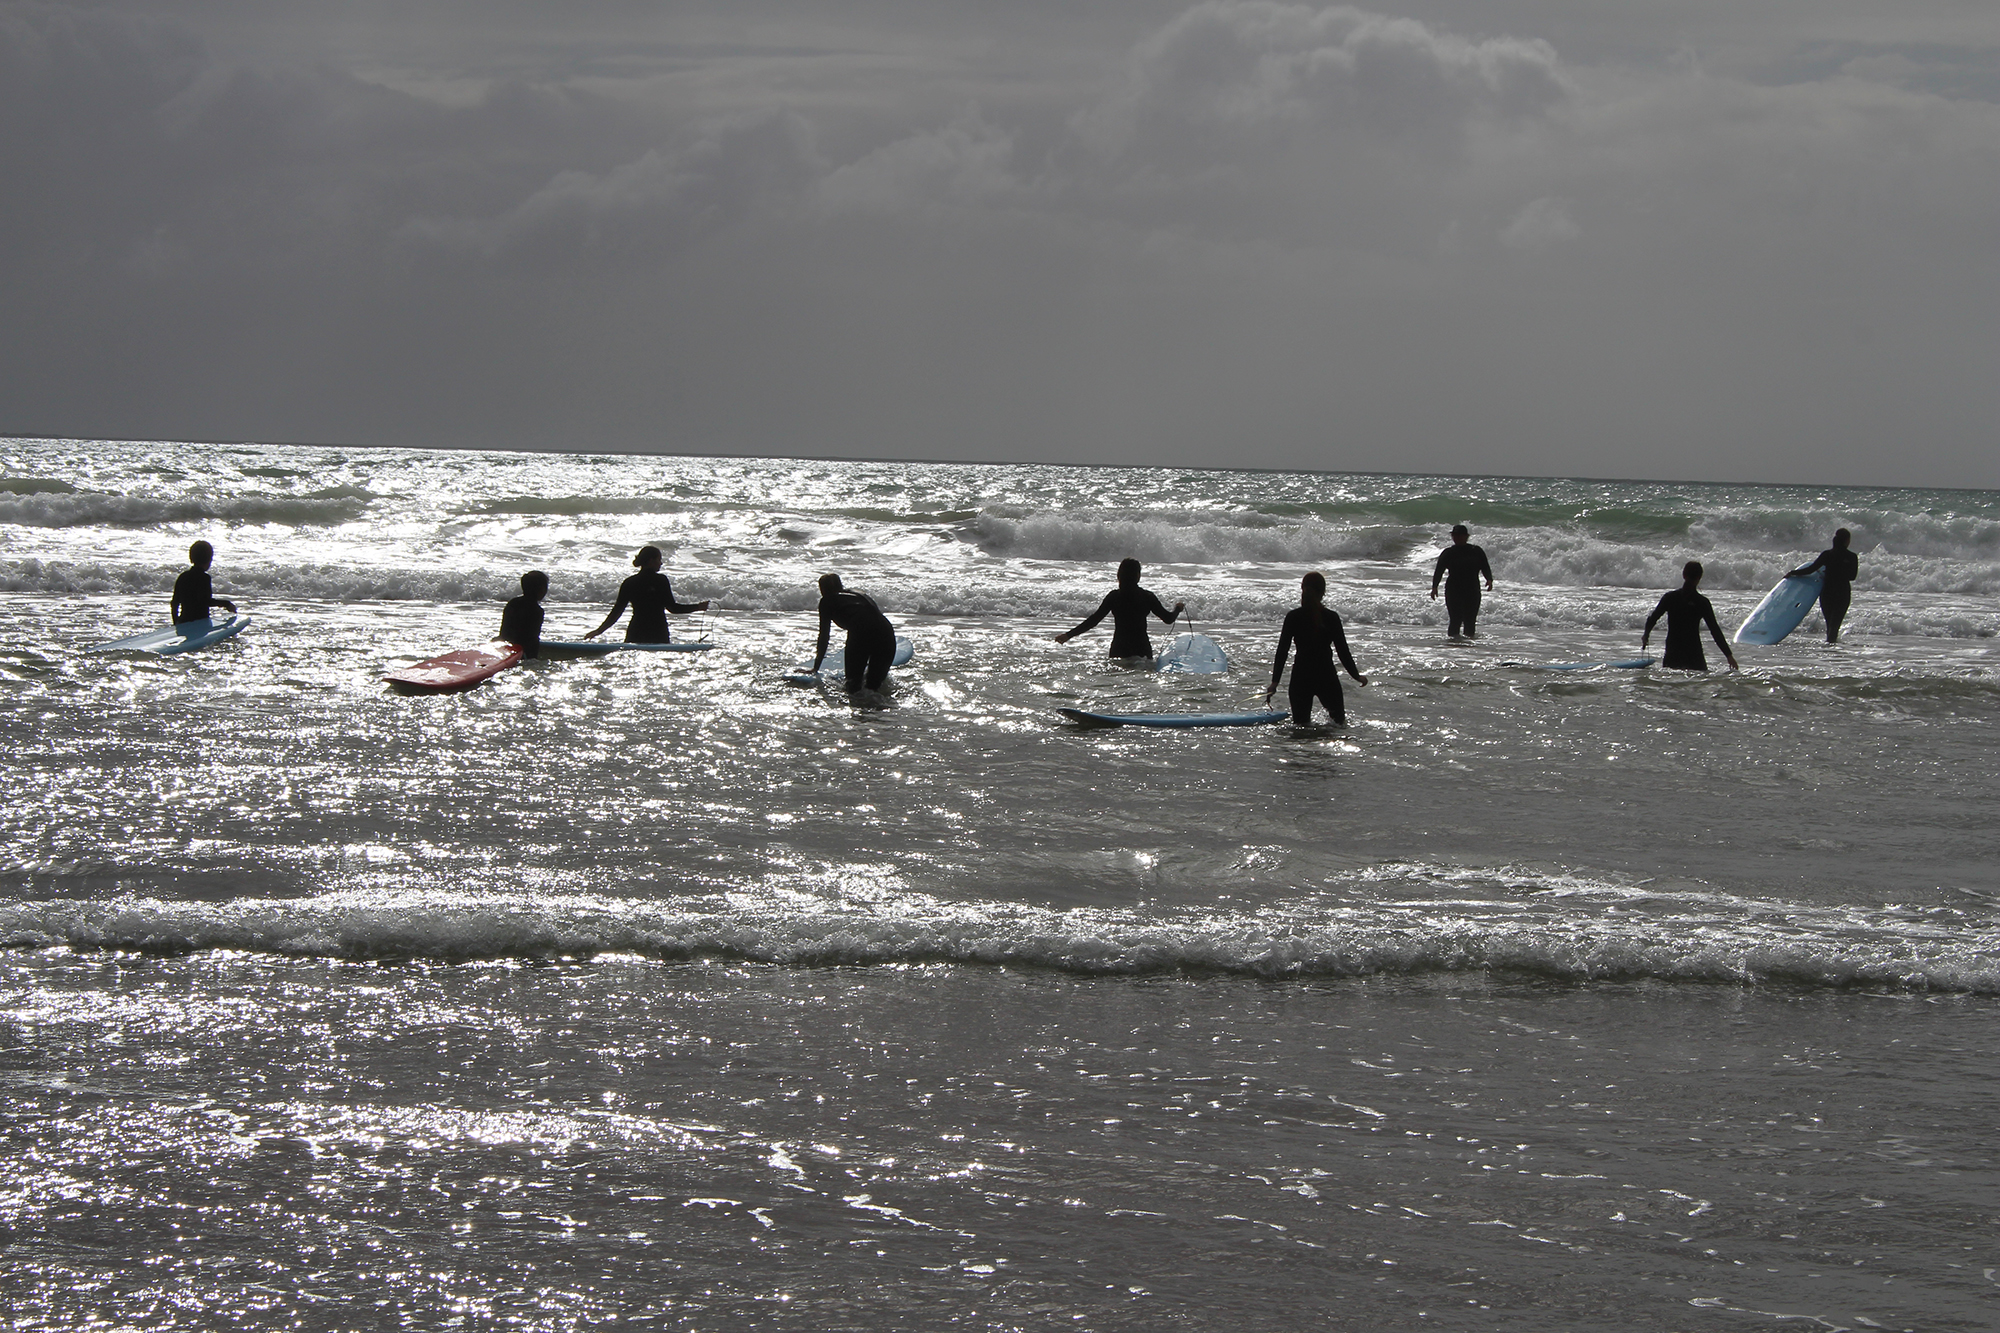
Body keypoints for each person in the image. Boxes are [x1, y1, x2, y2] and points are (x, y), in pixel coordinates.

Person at [1266, 572, 1368, 725]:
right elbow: (1342, 650)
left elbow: (1282, 651)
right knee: (1339, 725)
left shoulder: (1293, 617)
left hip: (1301, 677)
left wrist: (1275, 682)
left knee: (1301, 728)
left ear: (1302, 589)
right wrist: (1356, 675)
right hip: (1326, 676)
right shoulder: (1331, 617)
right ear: (1323, 592)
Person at [1054, 558, 1184, 658]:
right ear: (1138, 576)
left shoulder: (1114, 597)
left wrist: (1068, 635)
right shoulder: (1147, 597)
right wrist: (1177, 608)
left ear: (1119, 575)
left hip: (1119, 649)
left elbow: (1094, 620)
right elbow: (1168, 619)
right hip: (1142, 650)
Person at [584, 545, 710, 643]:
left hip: (636, 633)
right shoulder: (661, 580)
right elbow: (673, 608)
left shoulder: (629, 582)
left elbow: (617, 611)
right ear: (651, 560)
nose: (661, 563)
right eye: (659, 559)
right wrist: (698, 607)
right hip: (658, 633)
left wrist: (599, 631)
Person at [1642, 561, 1738, 672]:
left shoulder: (1670, 598)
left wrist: (1646, 635)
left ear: (1684, 575)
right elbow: (1715, 630)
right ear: (1699, 578)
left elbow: (1653, 618)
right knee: (1697, 680)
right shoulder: (1702, 602)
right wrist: (1729, 656)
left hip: (1673, 652)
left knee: (1671, 680)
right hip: (1694, 654)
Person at [811, 573, 898, 691]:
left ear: (823, 589)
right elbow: (873, 618)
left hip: (861, 633)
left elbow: (824, 635)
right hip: (886, 632)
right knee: (875, 686)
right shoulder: (859, 593)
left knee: (853, 686)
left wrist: (816, 667)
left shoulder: (827, 601)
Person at [1785, 528, 1860, 643]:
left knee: (1830, 624)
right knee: (1835, 625)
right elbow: (1852, 576)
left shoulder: (1827, 554)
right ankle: (1832, 649)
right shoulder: (1852, 557)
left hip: (1827, 592)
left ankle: (1829, 647)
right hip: (1842, 593)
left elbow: (1811, 569)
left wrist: (1793, 573)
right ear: (1846, 540)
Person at [1430, 524, 1494, 640]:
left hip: (1472, 589)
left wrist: (1489, 579)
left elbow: (1485, 566)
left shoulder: (1476, 551)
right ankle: (1453, 646)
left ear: (1466, 536)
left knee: (1470, 621)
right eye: (1454, 535)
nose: (1457, 538)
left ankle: (1468, 647)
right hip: (1453, 590)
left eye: (1459, 535)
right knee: (1455, 620)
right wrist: (1435, 587)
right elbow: (1439, 570)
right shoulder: (1448, 552)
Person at [170, 541, 236, 625]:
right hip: (201, 623)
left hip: (184, 621)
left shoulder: (182, 576)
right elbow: (206, 601)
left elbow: (174, 603)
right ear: (209, 560)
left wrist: (176, 622)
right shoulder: (204, 578)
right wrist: (227, 604)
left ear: (191, 558)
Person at [500, 571, 548, 659]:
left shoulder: (512, 603)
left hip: (505, 646)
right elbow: (532, 638)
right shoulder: (537, 611)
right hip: (524, 652)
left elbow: (504, 632)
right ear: (541, 589)